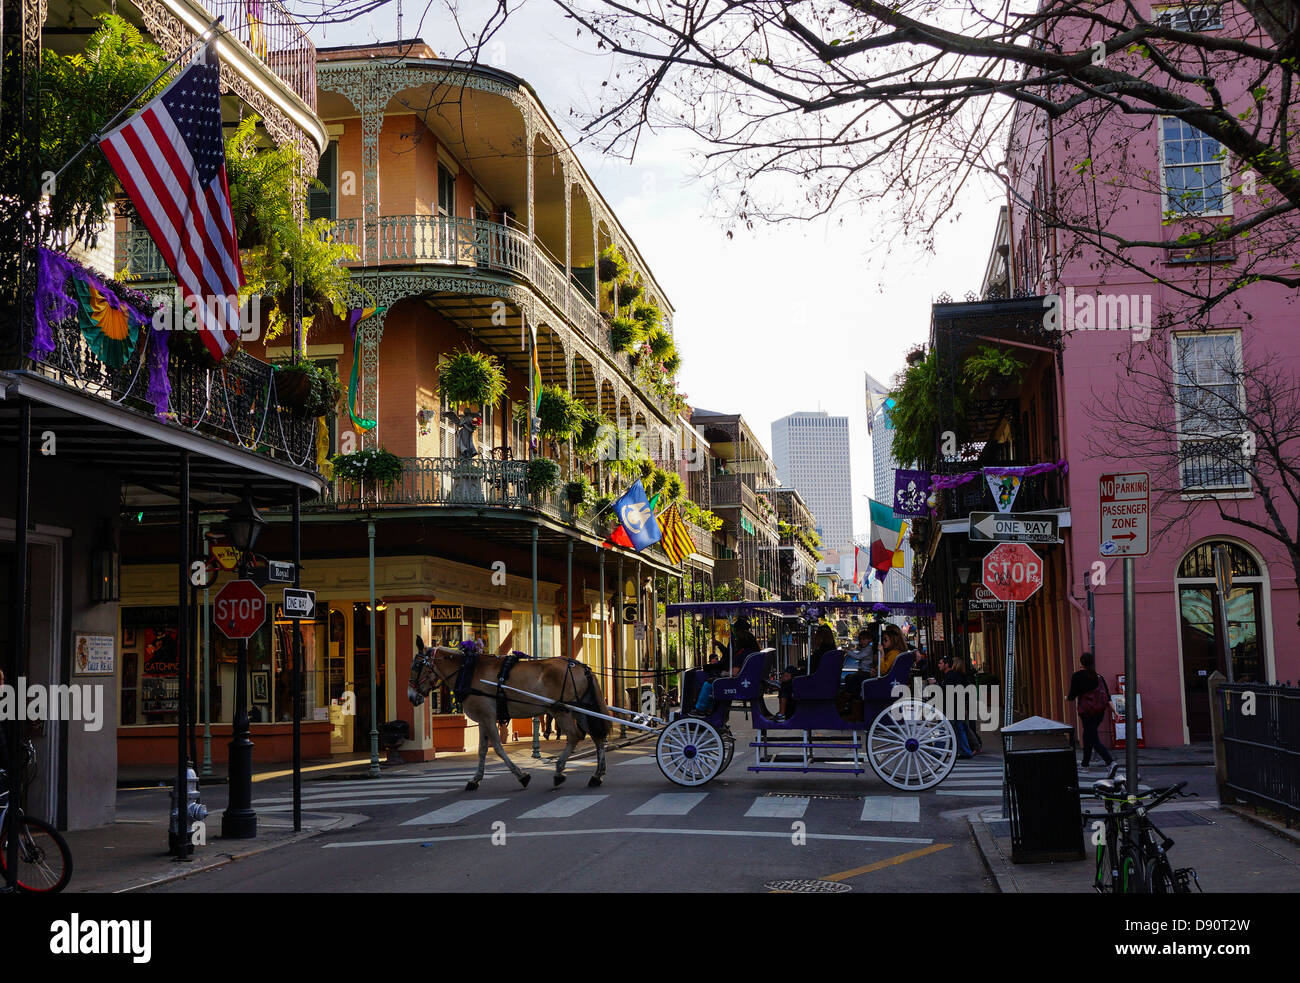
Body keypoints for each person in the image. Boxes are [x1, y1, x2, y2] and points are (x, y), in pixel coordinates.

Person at [1067, 652, 1115, 773]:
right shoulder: (1098, 677)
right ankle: (1085, 764)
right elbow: (1107, 697)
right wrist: (1115, 712)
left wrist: (1066, 698)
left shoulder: (1077, 676)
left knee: (1092, 738)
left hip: (1087, 712)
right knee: (1087, 735)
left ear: (1081, 663)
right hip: (1099, 712)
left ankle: (1110, 762)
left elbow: (1072, 696)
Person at [939, 655, 974, 758]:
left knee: (945, 728)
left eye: (941, 663)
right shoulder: (956, 675)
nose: (939, 665)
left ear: (947, 665)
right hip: (956, 706)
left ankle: (939, 751)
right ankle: (966, 751)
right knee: (959, 729)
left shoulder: (952, 676)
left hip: (953, 706)